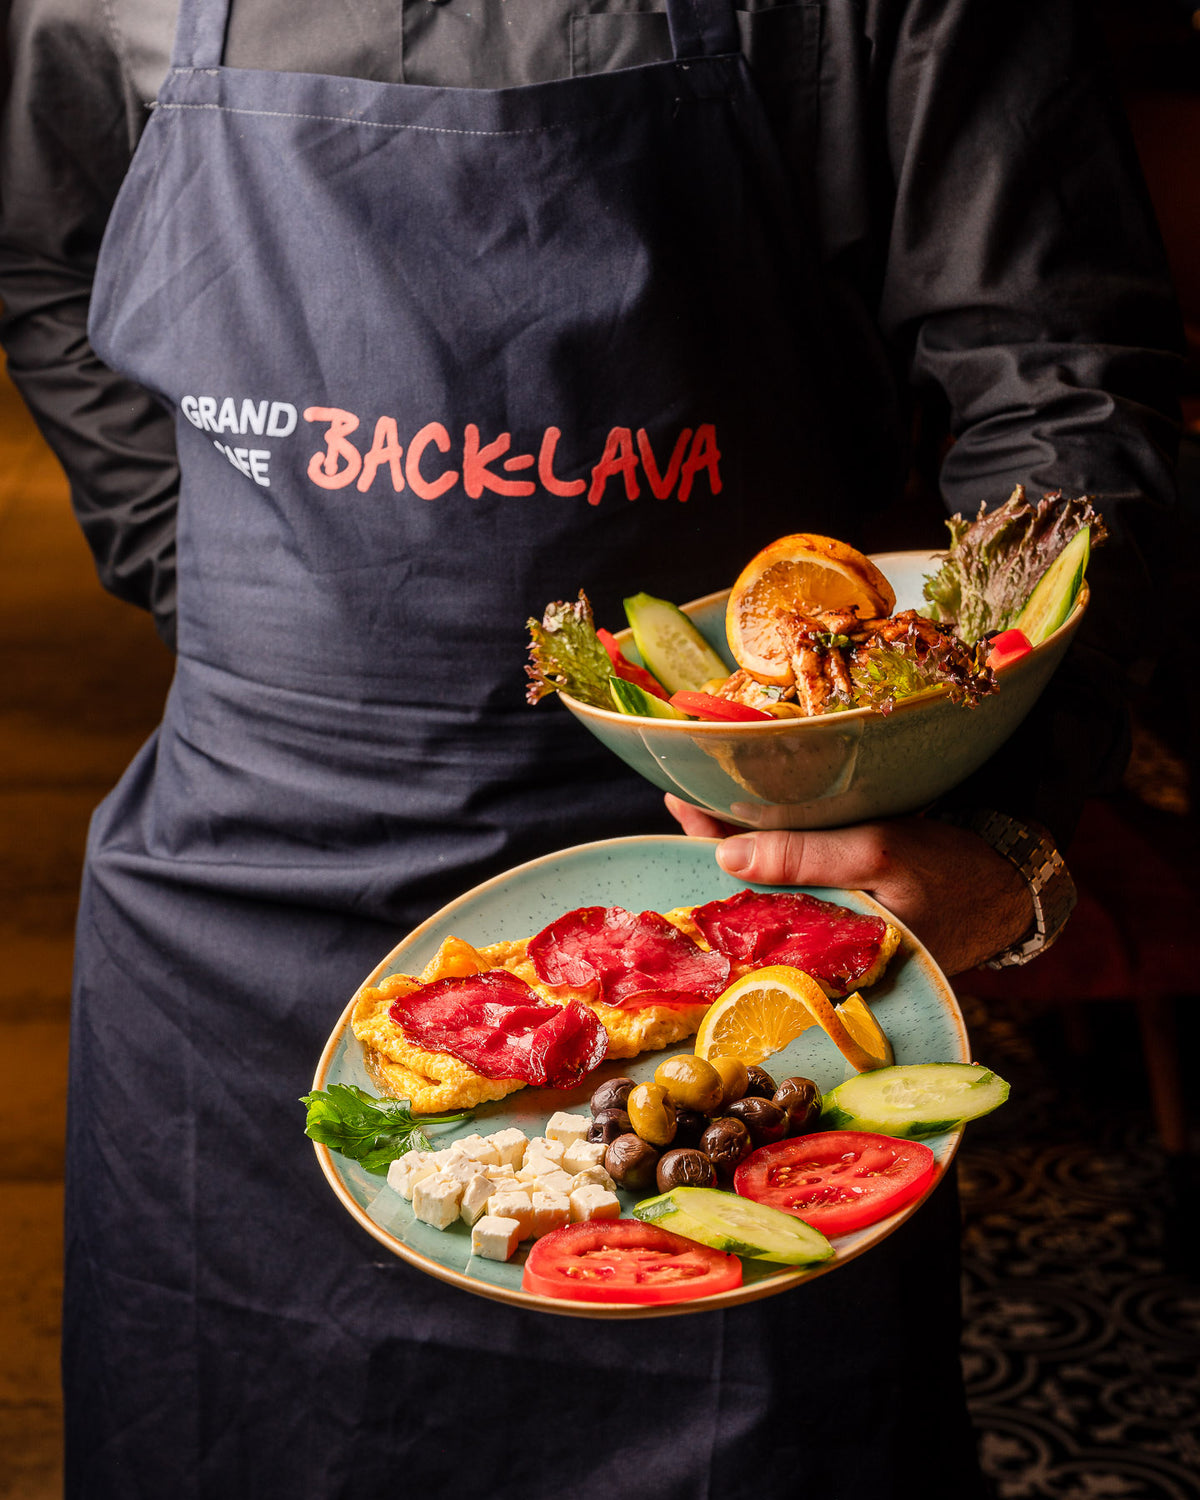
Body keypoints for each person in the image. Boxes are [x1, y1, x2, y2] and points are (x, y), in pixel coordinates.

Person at [0, 0, 1181, 1495]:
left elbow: (1062, 371)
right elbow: (44, 250)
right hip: (239, 916)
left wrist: (998, 809)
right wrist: (209, 570)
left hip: (730, 912)